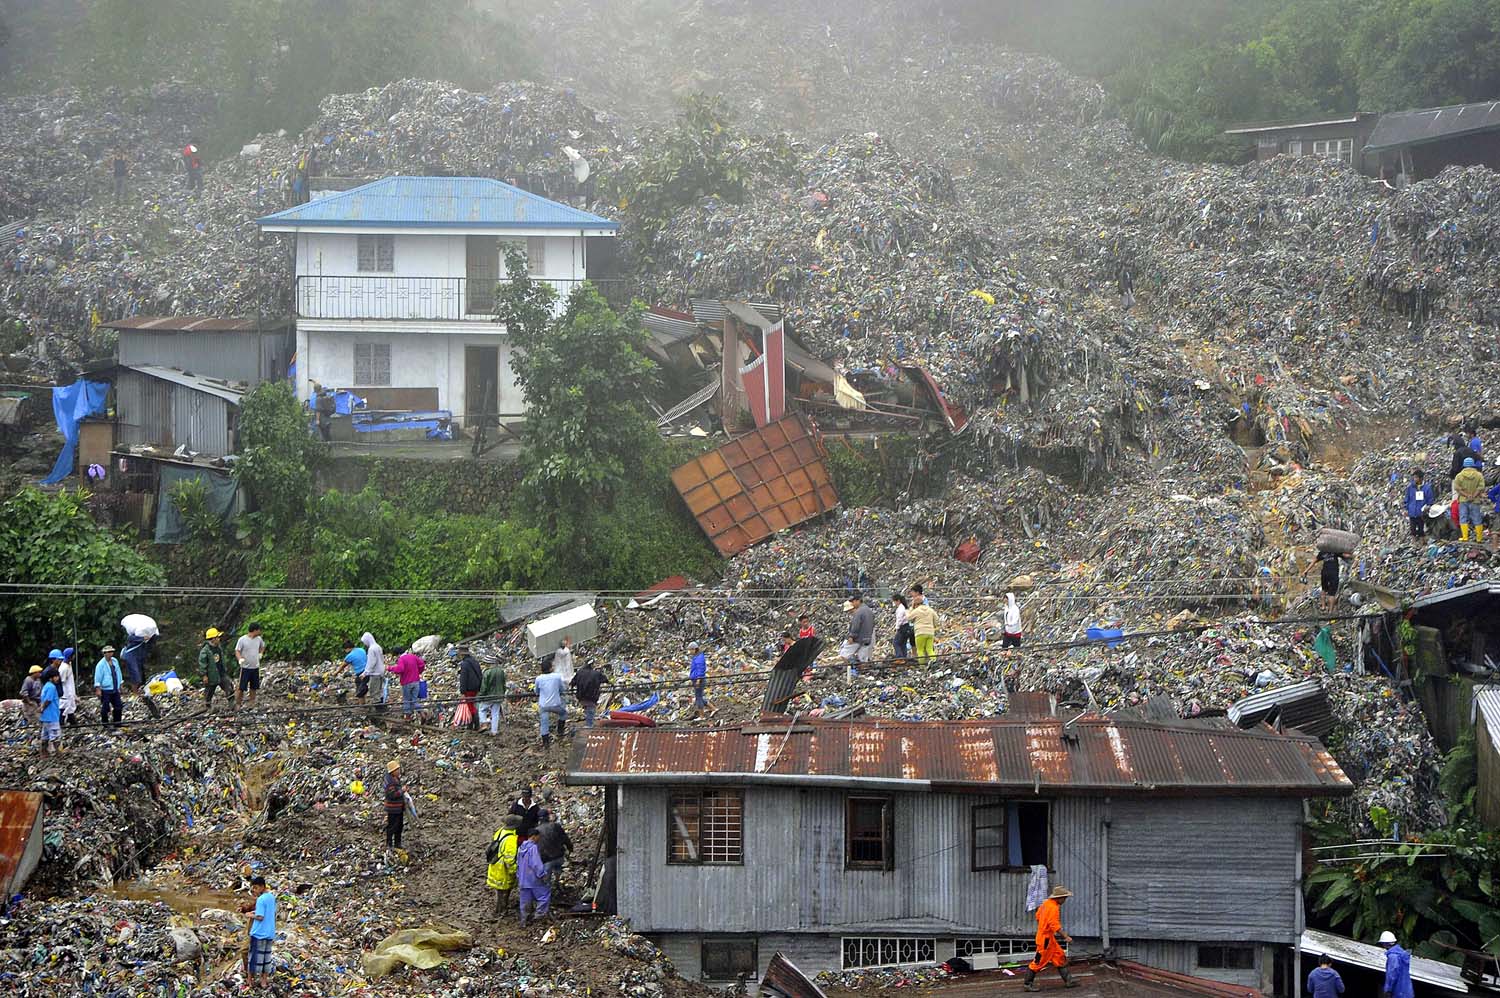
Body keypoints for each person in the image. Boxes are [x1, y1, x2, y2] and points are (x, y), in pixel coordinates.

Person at [1024, 885, 1077, 991]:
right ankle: (1027, 984)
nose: (1065, 900)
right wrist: (1066, 937)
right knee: (1038, 961)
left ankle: (1068, 981)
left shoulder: (1045, 904)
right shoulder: (1053, 908)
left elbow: (1038, 916)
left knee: (1059, 956)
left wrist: (1044, 926)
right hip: (1045, 940)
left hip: (1046, 937)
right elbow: (1055, 926)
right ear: (1059, 898)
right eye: (1064, 898)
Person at [487, 814, 521, 916]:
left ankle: (498, 908)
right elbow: (509, 859)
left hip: (495, 865)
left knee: (498, 891)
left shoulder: (500, 831)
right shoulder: (511, 839)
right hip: (503, 869)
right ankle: (503, 909)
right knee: (505, 890)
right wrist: (514, 871)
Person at [247, 874, 277, 989]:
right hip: (269, 933)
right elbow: (268, 913)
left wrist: (249, 914)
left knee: (254, 959)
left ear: (261, 886)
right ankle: (263, 981)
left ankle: (250, 981)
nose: (254, 890)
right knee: (266, 959)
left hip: (258, 933)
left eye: (255, 888)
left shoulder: (260, 899)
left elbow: (260, 916)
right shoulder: (271, 897)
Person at [517, 829, 550, 926]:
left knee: (525, 900)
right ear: (534, 836)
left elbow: (518, 863)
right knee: (544, 895)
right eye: (538, 836)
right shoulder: (533, 848)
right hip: (533, 879)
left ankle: (524, 920)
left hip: (523, 879)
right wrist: (542, 874)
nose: (539, 839)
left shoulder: (520, 848)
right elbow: (536, 864)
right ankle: (539, 916)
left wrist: (519, 876)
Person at [200, 627, 234, 711]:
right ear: (213, 639)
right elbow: (202, 664)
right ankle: (207, 707)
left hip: (221, 673)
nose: (219, 639)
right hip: (211, 675)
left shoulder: (219, 648)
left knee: (228, 686)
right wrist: (204, 675)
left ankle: (232, 704)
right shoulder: (205, 651)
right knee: (209, 691)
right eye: (217, 637)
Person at [1455, 457, 1487, 543]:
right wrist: (1473, 495)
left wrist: (1466, 495)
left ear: (1464, 465)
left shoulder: (1459, 476)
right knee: (1477, 518)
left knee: (1463, 517)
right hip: (1475, 500)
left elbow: (1457, 488)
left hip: (1463, 500)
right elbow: (1481, 487)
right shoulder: (1479, 475)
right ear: (1473, 465)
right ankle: (1479, 538)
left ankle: (1465, 537)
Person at [235, 622, 266, 710]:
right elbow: (237, 650)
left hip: (255, 667)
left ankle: (252, 702)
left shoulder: (259, 639)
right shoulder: (242, 640)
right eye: (259, 630)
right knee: (241, 687)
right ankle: (238, 704)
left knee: (254, 686)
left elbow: (263, 646)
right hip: (245, 667)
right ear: (255, 630)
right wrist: (240, 658)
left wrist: (260, 653)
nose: (260, 632)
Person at [536, 808, 573, 881]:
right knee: (558, 871)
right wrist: (570, 848)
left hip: (546, 859)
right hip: (559, 856)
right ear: (548, 816)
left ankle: (549, 890)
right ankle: (557, 883)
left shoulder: (536, 831)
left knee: (546, 880)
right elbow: (565, 838)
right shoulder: (555, 826)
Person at [536, 661, 567, 747]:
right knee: (563, 713)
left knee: (544, 722)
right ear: (550, 668)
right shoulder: (557, 677)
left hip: (544, 705)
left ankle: (545, 742)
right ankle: (560, 731)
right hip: (555, 704)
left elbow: (537, 691)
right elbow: (562, 689)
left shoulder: (538, 678)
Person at [839, 594, 875, 665]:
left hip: (858, 638)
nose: (852, 604)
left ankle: (849, 670)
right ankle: (862, 673)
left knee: (844, 654)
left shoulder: (859, 612)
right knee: (862, 659)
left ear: (858, 601)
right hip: (867, 638)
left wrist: (851, 636)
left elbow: (856, 626)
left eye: (853, 602)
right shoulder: (869, 610)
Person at [394, 648, 426, 722]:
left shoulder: (401, 659)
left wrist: (391, 668)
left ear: (398, 654)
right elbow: (421, 664)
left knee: (407, 700)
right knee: (414, 700)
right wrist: (418, 672)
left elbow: (400, 669)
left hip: (406, 682)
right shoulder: (412, 656)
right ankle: (421, 712)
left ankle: (407, 717)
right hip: (416, 681)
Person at [95, 645, 124, 727]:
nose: (110, 654)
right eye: (108, 652)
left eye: (111, 652)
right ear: (105, 653)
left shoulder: (115, 661)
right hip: (106, 689)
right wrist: (98, 688)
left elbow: (118, 673)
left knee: (118, 706)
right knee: (105, 707)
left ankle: (117, 722)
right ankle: (105, 724)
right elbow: (98, 677)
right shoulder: (100, 665)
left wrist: (120, 683)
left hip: (114, 687)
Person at [1379, 930, 1413, 998]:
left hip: (1397, 992)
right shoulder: (1402, 954)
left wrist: (1388, 990)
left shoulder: (1393, 956)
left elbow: (1392, 975)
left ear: (1385, 944)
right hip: (1406, 991)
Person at [572, 659, 604, 728]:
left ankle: (589, 723)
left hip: (581, 696)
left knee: (588, 709)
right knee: (590, 709)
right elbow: (605, 679)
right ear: (592, 665)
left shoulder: (579, 672)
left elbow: (572, 682)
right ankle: (589, 724)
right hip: (592, 696)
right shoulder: (596, 673)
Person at [456, 645, 483, 729]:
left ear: (462, 654)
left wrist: (462, 691)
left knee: (470, 706)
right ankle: (471, 724)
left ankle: (475, 724)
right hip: (476, 687)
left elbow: (463, 678)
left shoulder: (464, 664)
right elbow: (480, 674)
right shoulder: (475, 662)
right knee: (472, 704)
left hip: (469, 688)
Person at [478, 658, 507, 736]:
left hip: (489, 696)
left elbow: (484, 686)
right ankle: (494, 731)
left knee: (482, 709)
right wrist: (503, 693)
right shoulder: (501, 671)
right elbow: (504, 684)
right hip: (499, 695)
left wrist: (480, 696)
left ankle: (484, 723)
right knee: (495, 713)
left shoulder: (487, 672)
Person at [907, 590, 938, 662]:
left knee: (920, 650)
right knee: (930, 649)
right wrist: (933, 626)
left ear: (916, 604)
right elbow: (936, 619)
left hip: (920, 633)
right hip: (930, 633)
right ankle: (934, 662)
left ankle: (922, 666)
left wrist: (911, 608)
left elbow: (908, 618)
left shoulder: (916, 611)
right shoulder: (930, 610)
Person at [383, 760, 406, 849]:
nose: (399, 771)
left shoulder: (395, 778)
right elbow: (392, 795)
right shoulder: (390, 782)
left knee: (400, 826)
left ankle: (397, 843)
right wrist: (402, 791)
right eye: (397, 770)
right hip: (393, 808)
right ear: (392, 771)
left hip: (398, 807)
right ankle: (389, 844)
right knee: (393, 826)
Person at [1404, 470, 1432, 540]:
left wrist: (1428, 506)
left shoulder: (1427, 488)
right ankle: (1414, 542)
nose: (1415, 479)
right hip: (1412, 512)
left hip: (1421, 512)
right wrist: (1406, 509)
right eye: (1414, 477)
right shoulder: (1410, 487)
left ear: (1421, 478)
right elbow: (1407, 498)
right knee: (1412, 529)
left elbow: (1430, 499)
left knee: (1421, 529)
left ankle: (1421, 543)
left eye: (1416, 477)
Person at [38, 671, 62, 754]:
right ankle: (58, 753)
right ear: (50, 678)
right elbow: (48, 700)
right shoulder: (52, 687)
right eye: (56, 677)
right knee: (55, 735)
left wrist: (41, 709)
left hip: (45, 716)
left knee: (45, 735)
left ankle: (44, 753)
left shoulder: (46, 686)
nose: (57, 678)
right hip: (52, 715)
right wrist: (42, 708)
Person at [360, 632, 385, 708]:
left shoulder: (371, 649)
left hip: (375, 673)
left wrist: (365, 673)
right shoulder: (378, 647)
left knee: (374, 692)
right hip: (381, 671)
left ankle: (377, 710)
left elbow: (371, 662)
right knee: (379, 690)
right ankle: (382, 706)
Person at [58, 648, 79, 728]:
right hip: (66, 692)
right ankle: (61, 723)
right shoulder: (64, 668)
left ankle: (72, 722)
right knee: (64, 708)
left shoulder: (69, 664)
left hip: (70, 691)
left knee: (70, 708)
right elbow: (62, 681)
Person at [687, 641, 708, 713]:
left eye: (690, 650)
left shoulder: (699, 658)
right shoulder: (696, 656)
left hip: (699, 680)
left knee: (698, 698)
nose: (689, 651)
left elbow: (700, 670)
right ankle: (713, 708)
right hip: (696, 679)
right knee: (699, 697)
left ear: (694, 649)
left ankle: (702, 716)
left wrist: (698, 680)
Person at [891, 594, 912, 659]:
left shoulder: (900, 608)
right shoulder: (905, 607)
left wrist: (897, 628)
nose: (894, 603)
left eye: (894, 601)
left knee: (896, 643)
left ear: (898, 601)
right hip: (907, 627)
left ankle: (900, 657)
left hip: (902, 627)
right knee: (903, 643)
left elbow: (899, 619)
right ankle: (904, 656)